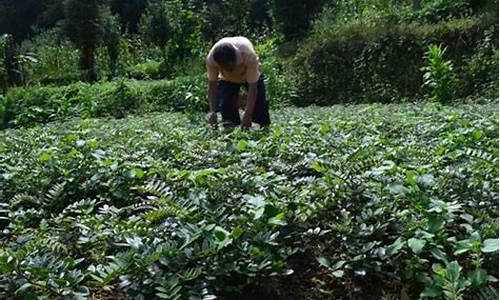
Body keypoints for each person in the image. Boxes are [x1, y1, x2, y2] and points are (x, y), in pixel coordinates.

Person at [206, 36, 271, 130]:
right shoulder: (211, 60)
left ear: (234, 60)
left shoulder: (248, 55)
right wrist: (212, 111)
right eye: (223, 67)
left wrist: (248, 114)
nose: (226, 69)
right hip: (226, 79)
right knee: (225, 103)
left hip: (248, 75)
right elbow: (212, 85)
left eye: (228, 66)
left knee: (259, 100)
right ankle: (230, 128)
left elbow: (253, 88)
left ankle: (264, 127)